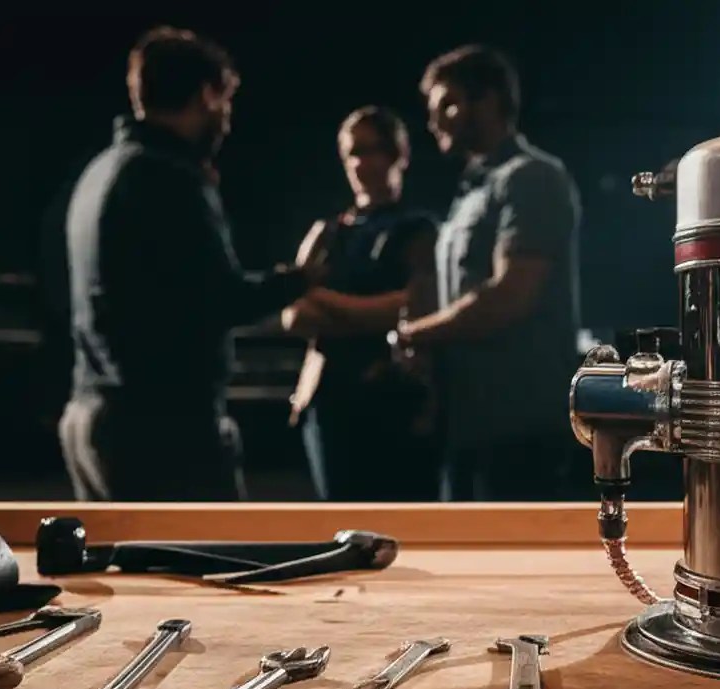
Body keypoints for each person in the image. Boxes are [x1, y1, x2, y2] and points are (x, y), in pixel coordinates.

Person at [58, 26, 312, 502]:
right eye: (226, 102)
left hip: (92, 411)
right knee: (206, 567)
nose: (228, 121)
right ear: (205, 95)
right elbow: (220, 298)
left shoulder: (100, 172)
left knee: (132, 572)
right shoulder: (167, 177)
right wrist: (300, 279)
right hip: (162, 431)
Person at [393, 44, 582, 501]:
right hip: (468, 426)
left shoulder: (531, 177)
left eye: (446, 105)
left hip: (520, 429)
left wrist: (415, 334)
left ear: (489, 101)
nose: (435, 121)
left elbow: (510, 295)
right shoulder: (471, 192)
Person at [280, 106, 440, 501]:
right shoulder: (327, 233)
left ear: (396, 154)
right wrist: (372, 314)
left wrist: (324, 300)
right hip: (328, 400)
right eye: (352, 152)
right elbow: (293, 314)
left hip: (391, 395)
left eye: (371, 150)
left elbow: (413, 308)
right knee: (339, 521)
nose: (360, 163)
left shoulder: (418, 229)